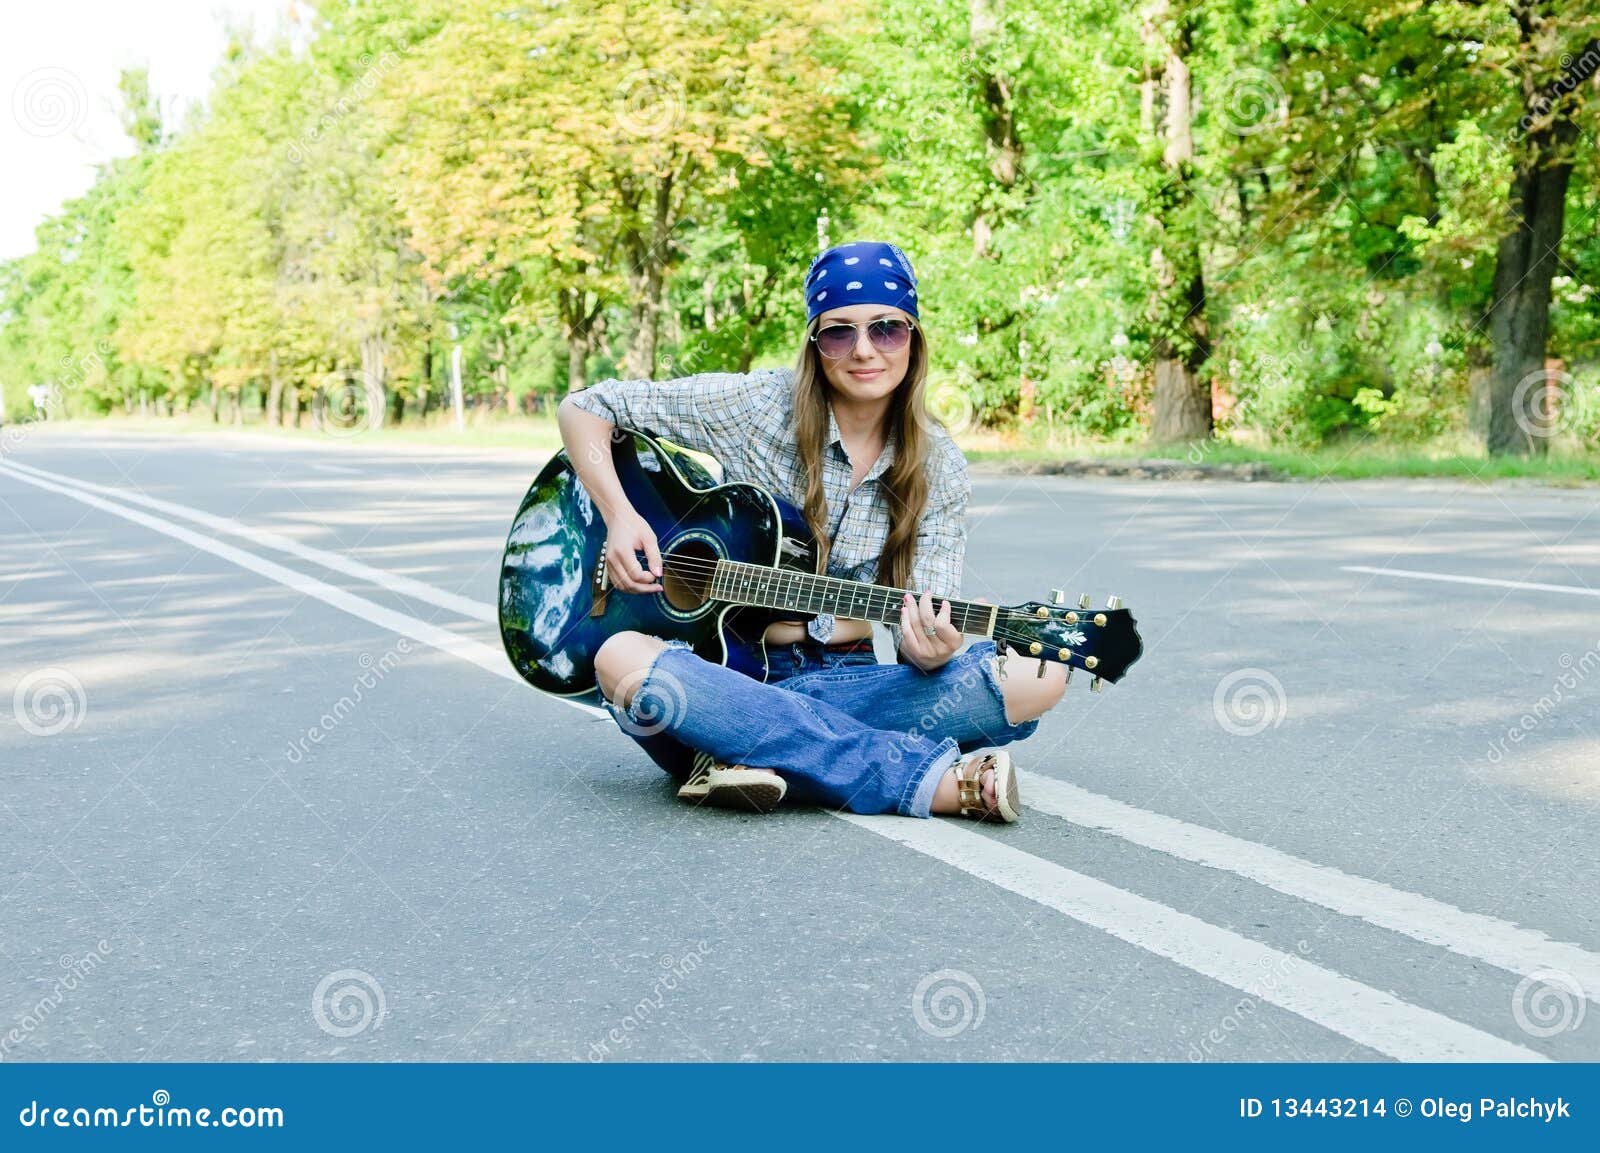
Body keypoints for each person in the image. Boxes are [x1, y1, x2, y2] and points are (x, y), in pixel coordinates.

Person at [557, 240, 1067, 822]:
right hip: (714, 671)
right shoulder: (756, 406)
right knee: (619, 658)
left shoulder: (938, 464)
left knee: (1037, 677)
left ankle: (748, 747)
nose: (864, 351)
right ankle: (929, 785)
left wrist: (931, 647)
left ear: (914, 339)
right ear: (814, 343)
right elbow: (585, 407)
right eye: (838, 332)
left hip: (844, 683)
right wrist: (622, 518)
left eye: (887, 329)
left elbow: (919, 637)